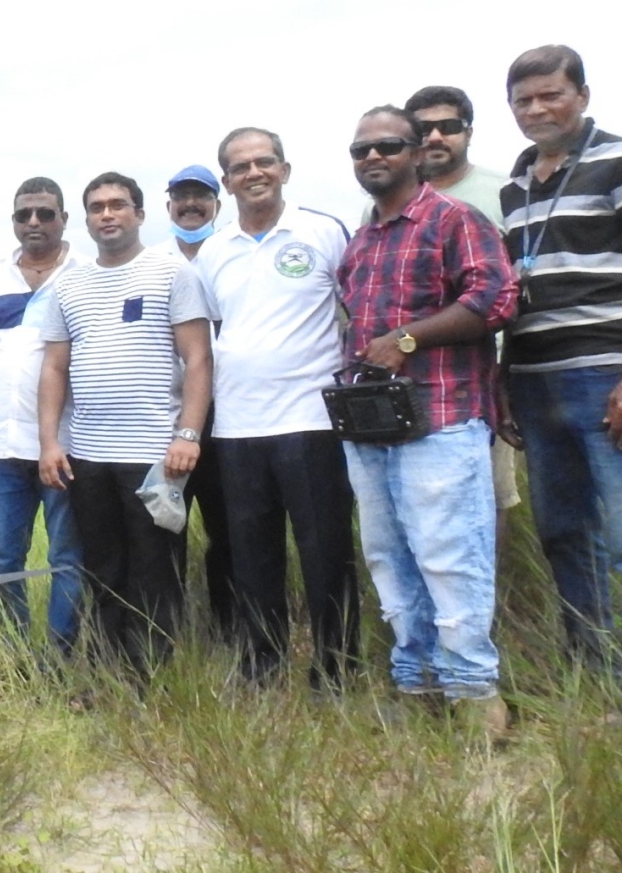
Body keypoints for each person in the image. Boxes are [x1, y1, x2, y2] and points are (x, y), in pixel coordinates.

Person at [499, 45, 622, 696]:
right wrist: (507, 384)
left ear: (582, 94)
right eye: (524, 99)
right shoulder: (514, 185)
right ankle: (589, 672)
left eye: (552, 94)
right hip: (536, 381)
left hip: (606, 377)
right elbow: (516, 294)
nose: (538, 108)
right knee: (564, 534)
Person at [337, 105, 518, 732]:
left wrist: (408, 339)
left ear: (416, 152)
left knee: (450, 553)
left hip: (442, 418)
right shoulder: (363, 240)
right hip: (373, 428)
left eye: (387, 145)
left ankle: (473, 689)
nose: (372, 158)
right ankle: (415, 681)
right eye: (361, 150)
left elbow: (496, 297)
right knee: (390, 557)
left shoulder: (453, 218)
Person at [193, 127, 360, 688]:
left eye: (264, 162)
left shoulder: (322, 231)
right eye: (240, 167)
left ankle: (335, 669)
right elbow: (216, 331)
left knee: (325, 553)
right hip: (238, 428)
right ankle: (261, 665)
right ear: (226, 182)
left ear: (285, 170)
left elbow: (357, 311)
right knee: (251, 556)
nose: (254, 173)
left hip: (312, 421)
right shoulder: (213, 251)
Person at [39, 173, 213, 677]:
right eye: (97, 207)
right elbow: (54, 368)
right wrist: (50, 442)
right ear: (87, 219)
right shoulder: (69, 283)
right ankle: (109, 671)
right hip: (89, 457)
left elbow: (198, 360)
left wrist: (187, 435)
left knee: (155, 571)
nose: (108, 214)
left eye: (118, 205)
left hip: (155, 456)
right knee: (104, 570)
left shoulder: (171, 274)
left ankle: (151, 679)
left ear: (139, 214)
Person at [0, 177, 85, 657]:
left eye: (45, 214)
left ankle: (60, 654)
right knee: (1, 557)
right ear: (13, 221)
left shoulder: (85, 274)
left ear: (63, 219)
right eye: (23, 215)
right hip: (3, 450)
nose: (34, 222)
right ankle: (14, 654)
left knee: (67, 559)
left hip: (66, 447)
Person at [398, 85, 524, 516]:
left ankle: (485, 587)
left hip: (485, 381)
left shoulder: (505, 193)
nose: (435, 137)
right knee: (416, 505)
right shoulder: (386, 202)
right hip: (408, 381)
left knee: (488, 498)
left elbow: (515, 291)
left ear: (468, 133)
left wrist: (509, 376)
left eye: (448, 127)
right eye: (423, 128)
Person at [162, 165, 237, 641]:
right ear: (168, 205)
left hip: (227, 416)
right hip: (168, 417)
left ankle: (227, 629)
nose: (191, 206)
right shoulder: (154, 261)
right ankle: (168, 630)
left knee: (226, 529)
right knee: (165, 526)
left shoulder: (231, 255)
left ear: (216, 203)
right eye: (182, 198)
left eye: (201, 198)